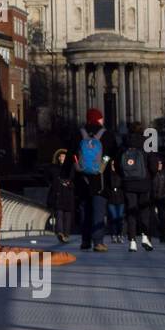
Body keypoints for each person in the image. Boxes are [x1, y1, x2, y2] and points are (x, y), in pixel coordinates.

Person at [71, 107, 118, 252]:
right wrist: (102, 167)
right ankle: (98, 242)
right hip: (100, 179)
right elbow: (112, 153)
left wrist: (77, 167)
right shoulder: (107, 134)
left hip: (82, 178)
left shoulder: (78, 133)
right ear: (98, 119)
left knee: (85, 209)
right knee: (99, 210)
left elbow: (72, 153)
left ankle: (85, 241)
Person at [117, 122, 155, 252]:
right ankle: (145, 237)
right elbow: (154, 165)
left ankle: (132, 242)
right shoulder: (147, 144)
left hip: (128, 183)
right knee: (144, 211)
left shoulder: (123, 145)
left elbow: (117, 165)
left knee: (131, 212)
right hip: (144, 183)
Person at [45, 148, 75, 244]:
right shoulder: (53, 168)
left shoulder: (72, 168)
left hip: (68, 193)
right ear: (58, 158)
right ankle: (60, 233)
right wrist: (54, 184)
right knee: (59, 214)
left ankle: (66, 234)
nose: (63, 158)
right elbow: (47, 178)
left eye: (64, 156)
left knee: (67, 215)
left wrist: (69, 184)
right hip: (57, 193)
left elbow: (76, 180)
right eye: (61, 156)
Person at [150, 149, 165, 242]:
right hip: (153, 197)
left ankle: (163, 236)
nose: (159, 165)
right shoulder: (152, 173)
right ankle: (154, 233)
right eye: (157, 163)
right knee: (153, 216)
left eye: (160, 163)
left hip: (163, 197)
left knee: (163, 217)